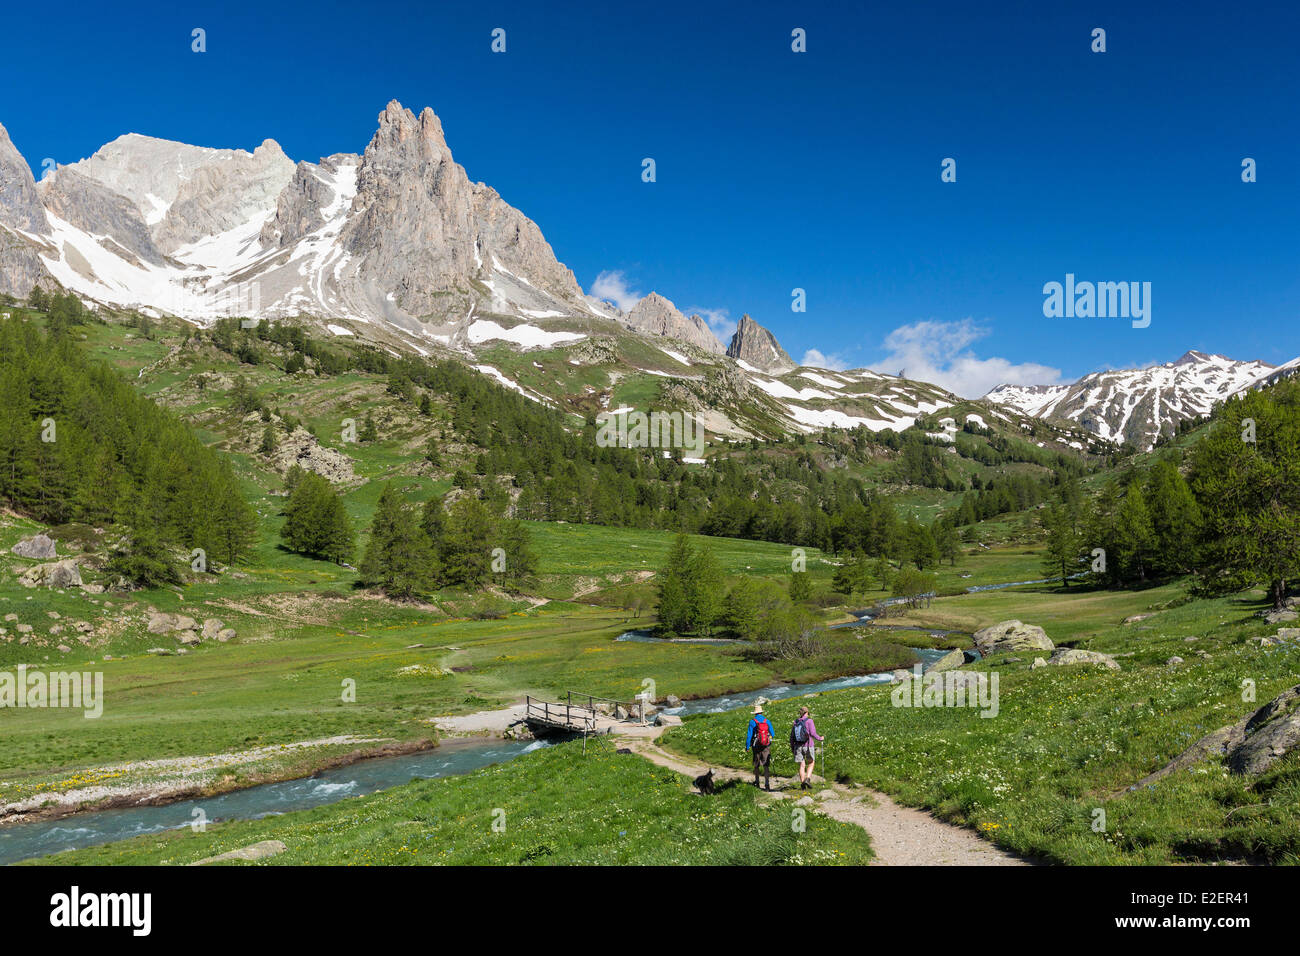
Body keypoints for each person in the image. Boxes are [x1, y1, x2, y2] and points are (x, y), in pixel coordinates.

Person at [791, 705, 825, 790]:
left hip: (798, 746)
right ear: (807, 713)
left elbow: (792, 737)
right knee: (811, 762)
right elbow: (813, 733)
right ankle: (808, 779)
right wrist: (820, 738)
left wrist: (792, 747)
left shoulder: (795, 722)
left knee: (802, 765)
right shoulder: (809, 721)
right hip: (808, 745)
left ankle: (803, 784)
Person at [745, 703, 774, 791]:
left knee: (756, 765)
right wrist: (767, 739)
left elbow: (749, 735)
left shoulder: (752, 721)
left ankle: (757, 782)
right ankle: (767, 785)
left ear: (755, 713)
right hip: (766, 745)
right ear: (761, 712)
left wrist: (747, 746)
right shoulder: (767, 721)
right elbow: (773, 734)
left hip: (756, 745)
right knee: (766, 765)